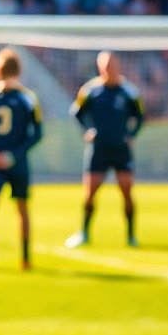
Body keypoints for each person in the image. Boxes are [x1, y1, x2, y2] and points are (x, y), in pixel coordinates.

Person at [66, 51, 145, 249]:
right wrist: (87, 130)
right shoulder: (90, 90)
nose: (110, 69)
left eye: (112, 65)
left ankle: (131, 236)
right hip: (98, 149)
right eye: (106, 66)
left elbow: (140, 116)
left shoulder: (128, 91)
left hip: (120, 149)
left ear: (118, 66)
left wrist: (131, 134)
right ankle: (84, 232)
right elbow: (76, 112)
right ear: (100, 68)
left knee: (126, 190)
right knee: (90, 192)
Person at [0, 48, 43, 270]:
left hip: (17, 163)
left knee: (21, 207)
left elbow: (37, 133)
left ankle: (25, 257)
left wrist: (13, 155)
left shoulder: (27, 98)